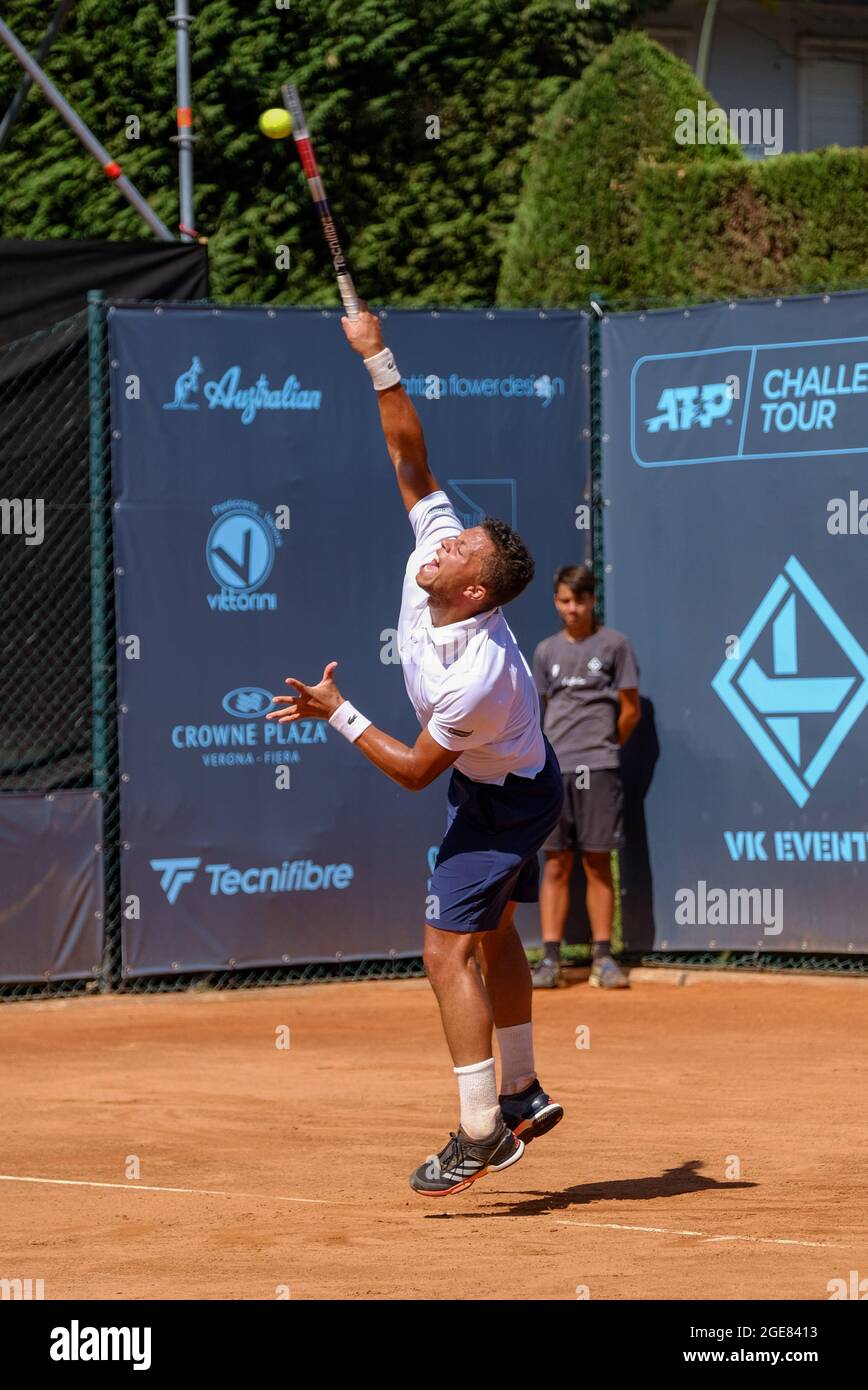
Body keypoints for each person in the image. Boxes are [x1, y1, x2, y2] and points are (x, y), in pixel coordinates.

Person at [267, 305, 565, 1197]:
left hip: (503, 797)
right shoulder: (440, 562)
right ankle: (521, 1092)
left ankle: (481, 1133)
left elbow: (410, 773)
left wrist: (337, 712)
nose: (440, 544)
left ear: (475, 590)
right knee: (497, 931)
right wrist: (378, 358)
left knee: (445, 953)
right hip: (515, 780)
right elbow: (411, 460)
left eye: (459, 548)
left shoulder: (477, 674)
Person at [531, 565, 640, 990]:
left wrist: (605, 745)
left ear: (593, 600)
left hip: (599, 767)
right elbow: (539, 712)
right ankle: (551, 961)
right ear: (556, 602)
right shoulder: (544, 652)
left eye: (578, 601)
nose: (571, 609)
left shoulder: (616, 645)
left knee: (597, 861)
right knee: (555, 863)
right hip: (554, 770)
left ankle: (603, 959)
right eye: (563, 601)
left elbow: (630, 710)